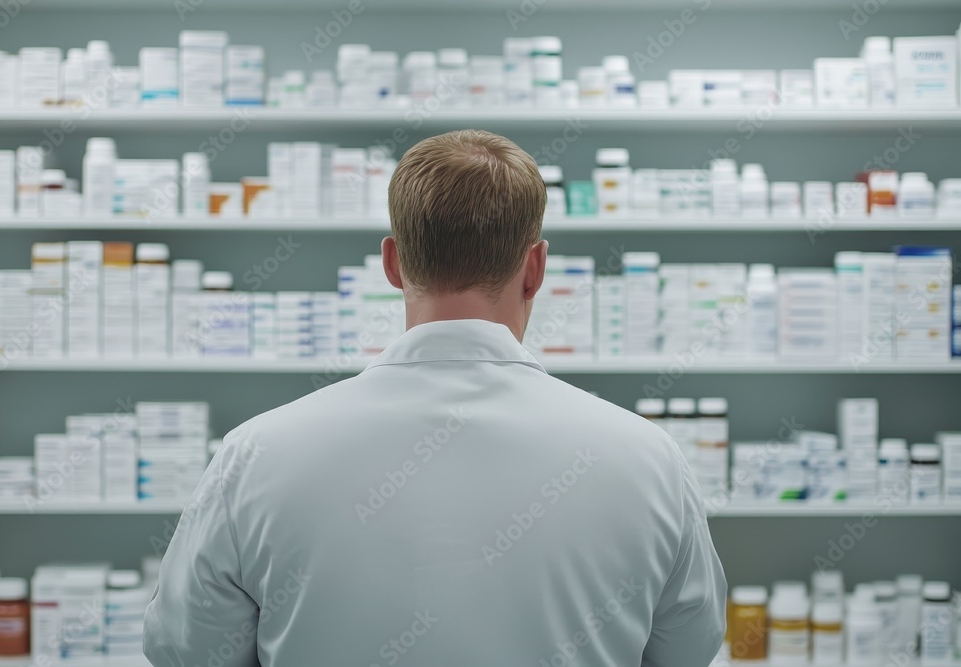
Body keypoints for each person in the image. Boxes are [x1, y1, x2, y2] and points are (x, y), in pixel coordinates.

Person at [143, 129, 727, 667]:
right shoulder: (647, 459)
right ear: (536, 268)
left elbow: (186, 652)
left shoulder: (256, 454)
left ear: (393, 263)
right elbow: (687, 651)